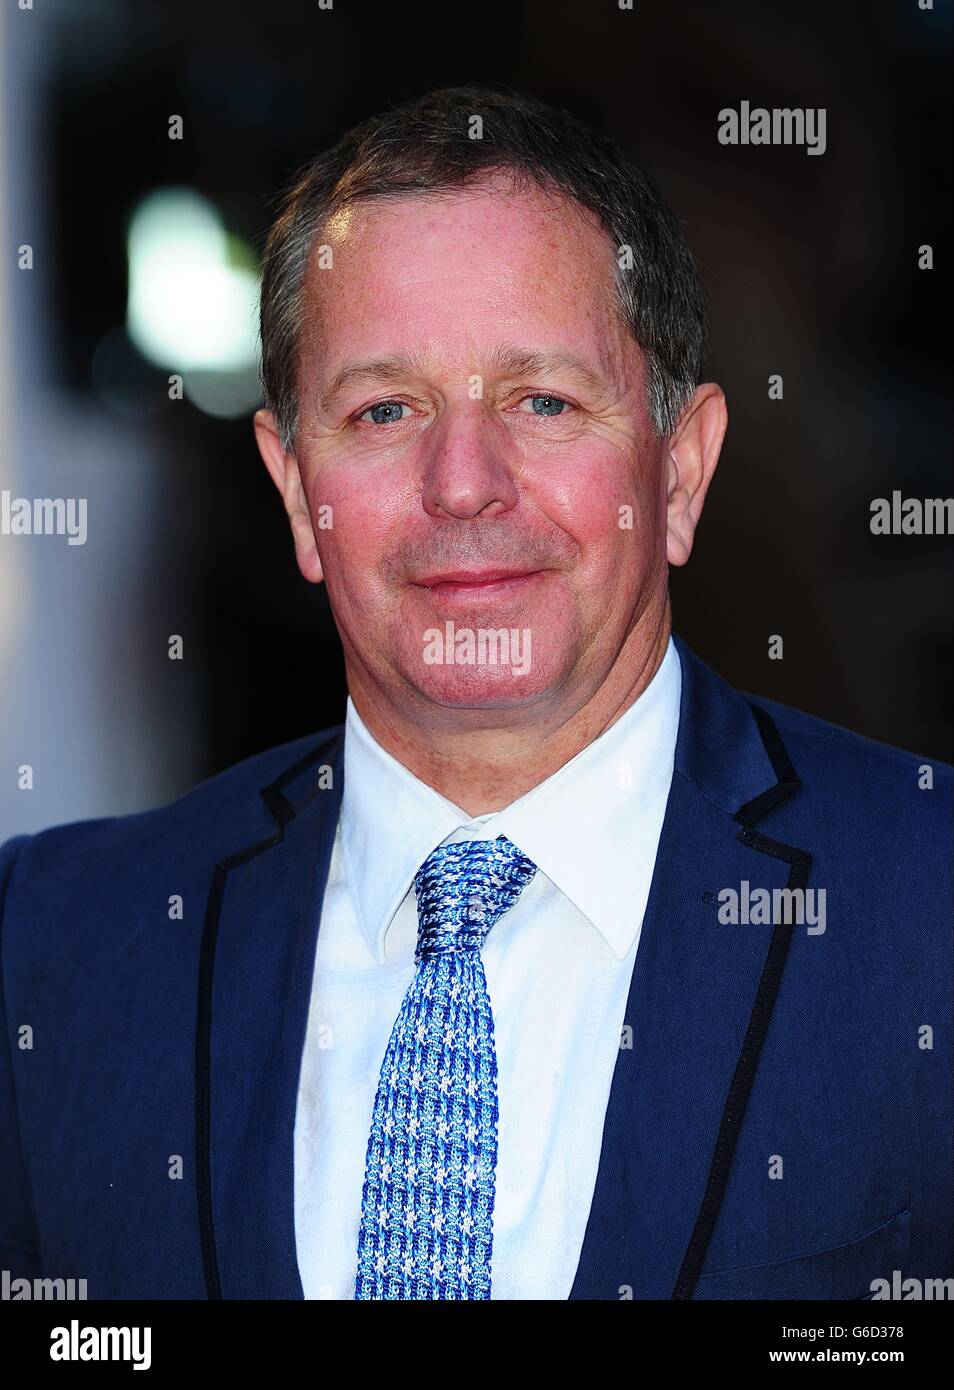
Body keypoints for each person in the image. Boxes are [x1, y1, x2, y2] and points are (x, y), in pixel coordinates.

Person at [1, 87, 949, 1302]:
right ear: (297, 493)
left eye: (543, 401)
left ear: (682, 472)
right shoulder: (58, 950)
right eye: (385, 410)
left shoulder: (928, 913)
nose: (462, 484)